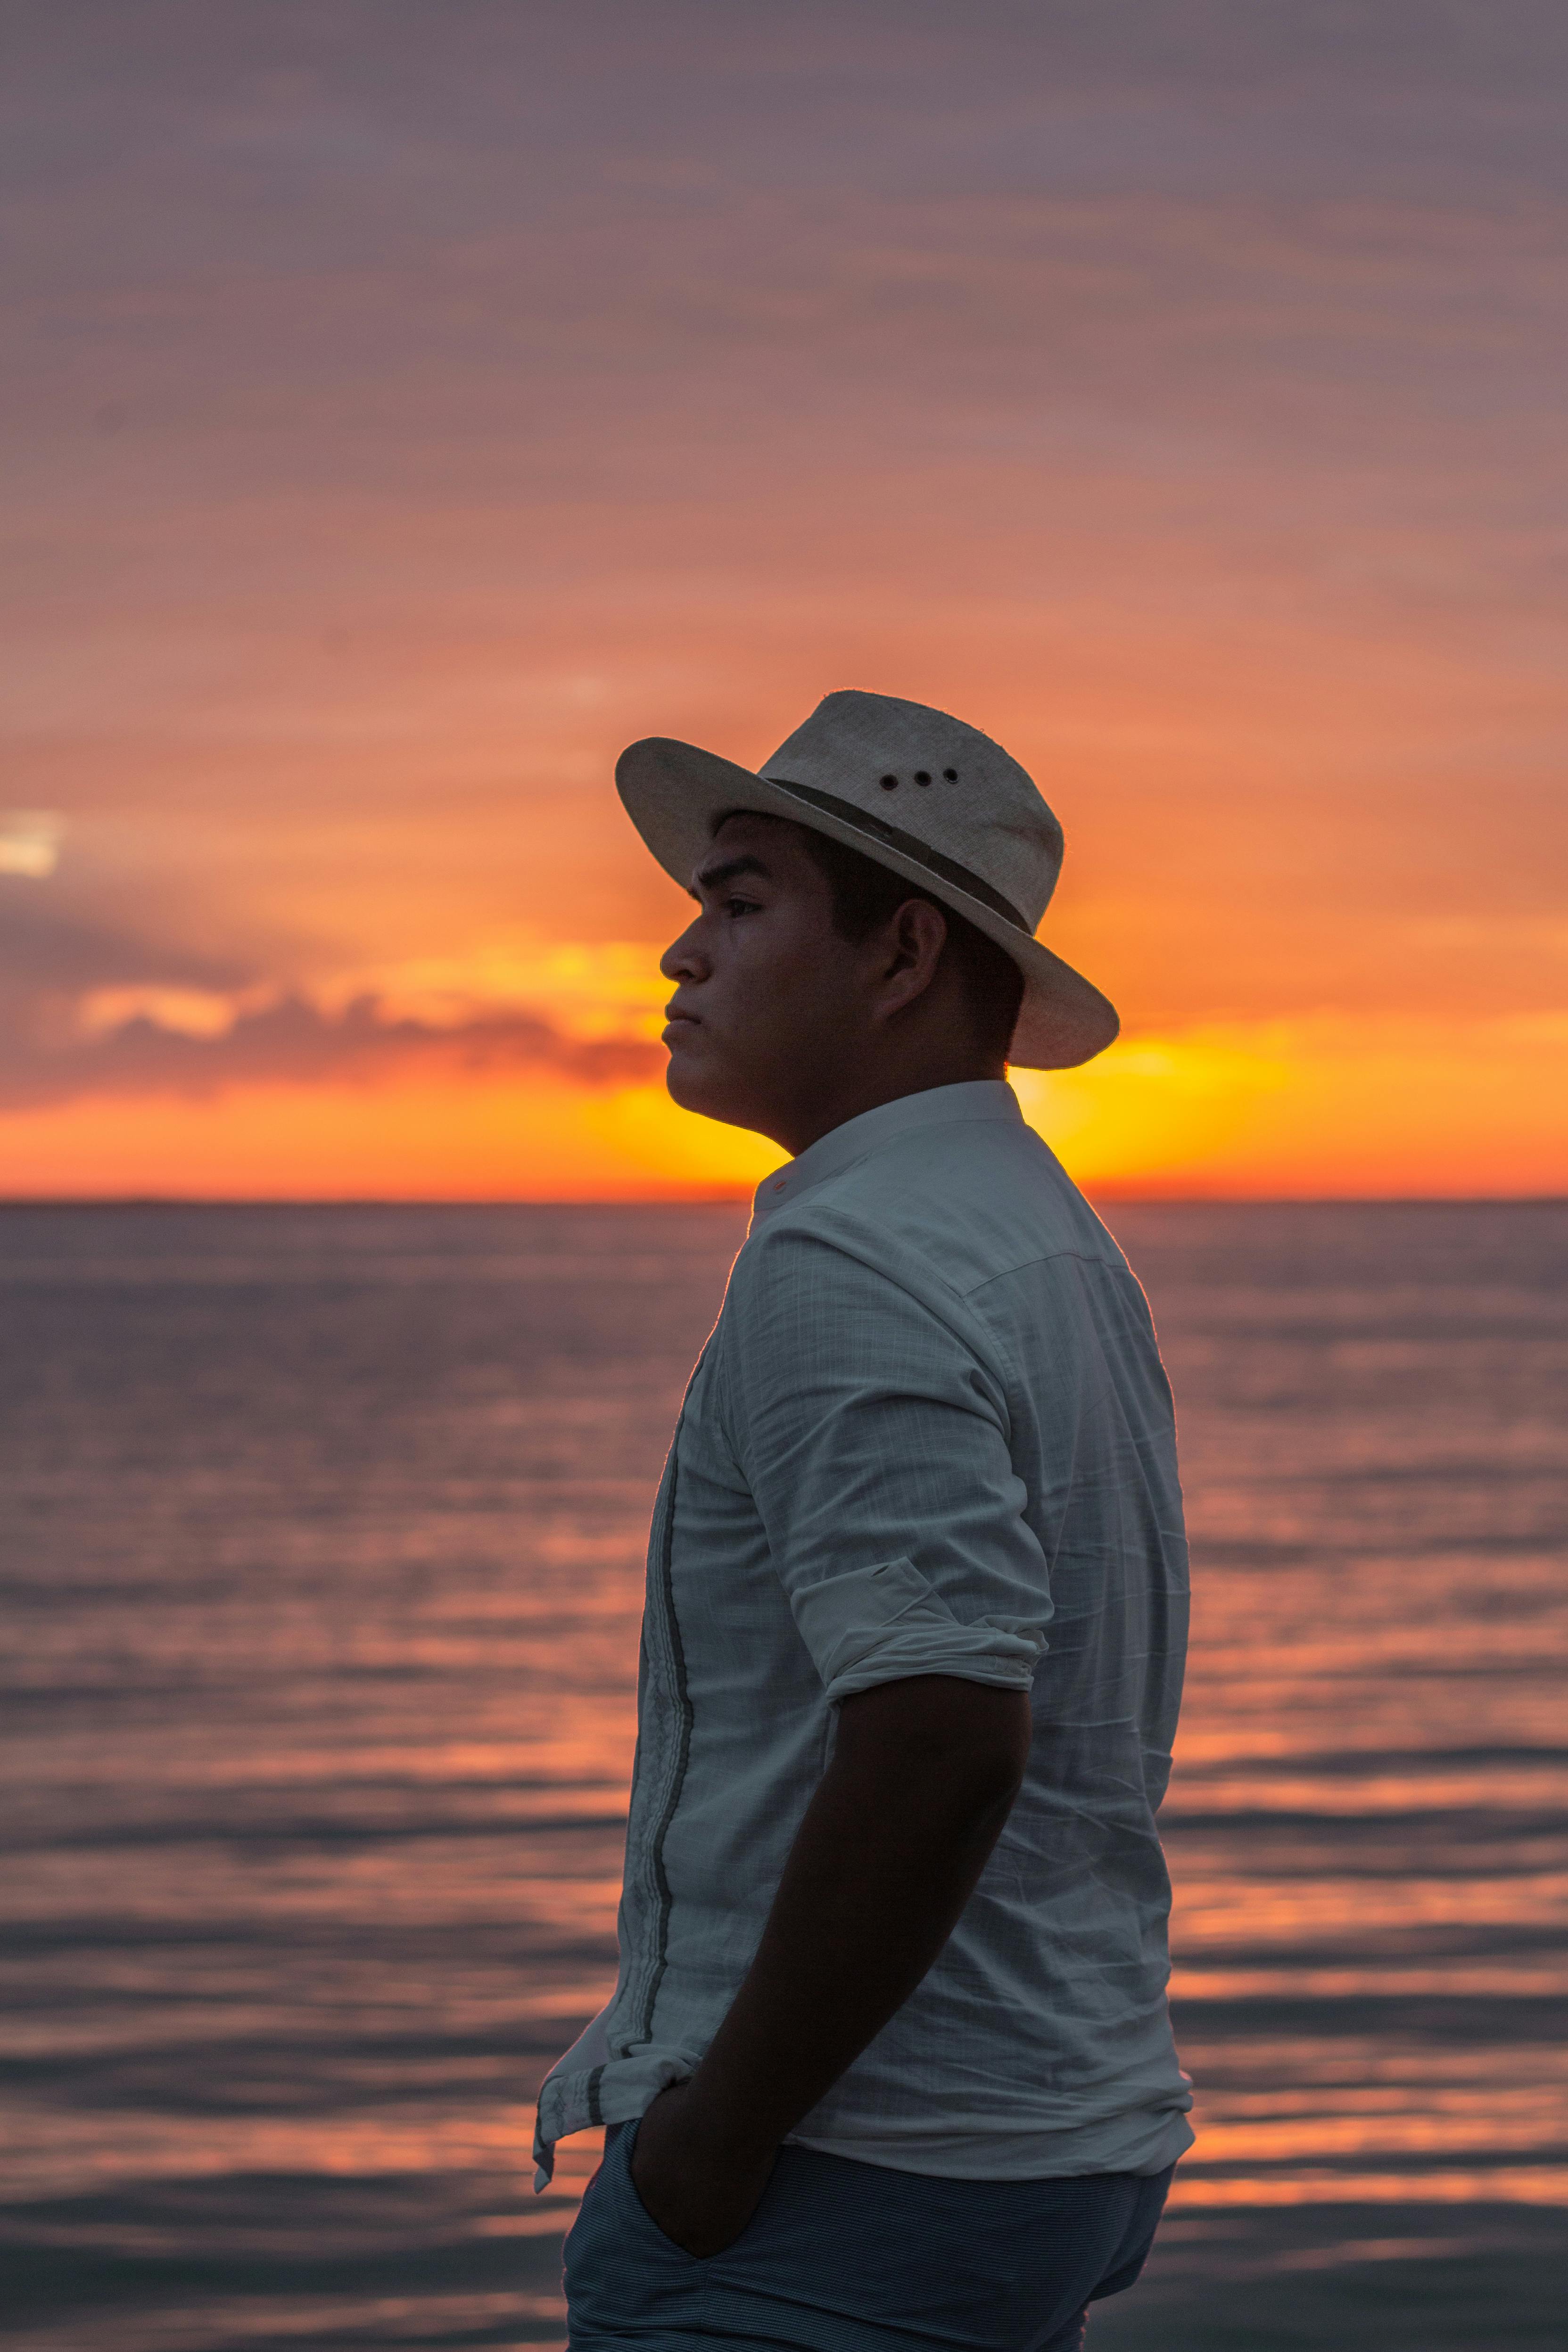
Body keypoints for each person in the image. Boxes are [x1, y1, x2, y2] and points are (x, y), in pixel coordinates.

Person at [536, 690, 1193, 2351]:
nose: (680, 957)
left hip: (848, 2184)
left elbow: (942, 1737)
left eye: (740, 904)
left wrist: (713, 2139)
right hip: (1038, 2139)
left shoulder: (853, 1263)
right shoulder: (1050, 1245)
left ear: (901, 956)